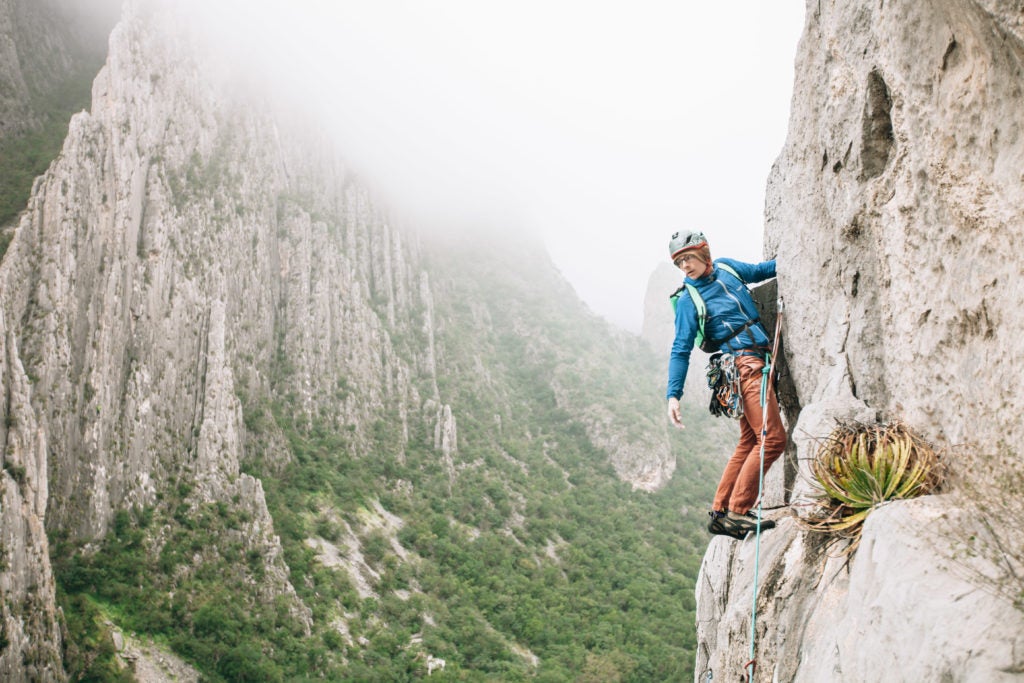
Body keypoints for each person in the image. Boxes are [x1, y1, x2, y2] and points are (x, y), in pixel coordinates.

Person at [665, 230, 786, 540]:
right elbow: (680, 349)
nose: (685, 267)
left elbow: (761, 271)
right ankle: (738, 511)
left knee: (748, 441)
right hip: (743, 367)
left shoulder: (728, 269)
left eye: (688, 258)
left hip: (748, 364)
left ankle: (720, 514)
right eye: (679, 262)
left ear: (704, 254)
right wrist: (673, 395)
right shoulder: (689, 301)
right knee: (771, 438)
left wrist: (794, 254)